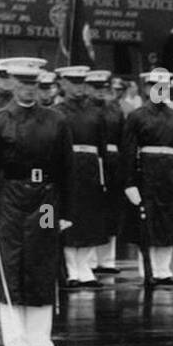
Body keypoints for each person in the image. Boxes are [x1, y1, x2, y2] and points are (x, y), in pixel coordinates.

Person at [0, 59, 74, 346]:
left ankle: (41, 341)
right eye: (22, 83)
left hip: (45, 200)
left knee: (42, 262)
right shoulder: (1, 120)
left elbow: (67, 169)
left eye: (33, 84)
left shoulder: (56, 121)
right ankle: (15, 341)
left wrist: (66, 211)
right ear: (12, 84)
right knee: (12, 264)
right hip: (10, 198)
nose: (28, 90)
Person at [121, 69, 173, 287]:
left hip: (169, 175)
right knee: (148, 225)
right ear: (147, 88)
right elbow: (128, 151)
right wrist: (129, 182)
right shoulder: (137, 116)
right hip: (147, 175)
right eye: (155, 87)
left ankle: (164, 269)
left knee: (169, 223)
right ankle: (148, 270)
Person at [52, 66, 109, 287]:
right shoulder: (56, 112)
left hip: (91, 170)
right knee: (68, 218)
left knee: (89, 219)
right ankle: (70, 268)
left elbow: (102, 149)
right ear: (63, 84)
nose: (78, 87)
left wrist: (103, 177)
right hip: (67, 168)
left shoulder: (95, 113)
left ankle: (84, 266)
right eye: (73, 82)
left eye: (81, 82)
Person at [85, 68, 124, 274]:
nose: (100, 91)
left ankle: (107, 259)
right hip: (91, 161)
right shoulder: (85, 110)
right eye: (95, 87)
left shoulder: (115, 110)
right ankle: (90, 260)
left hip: (113, 162)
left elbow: (123, 137)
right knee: (92, 211)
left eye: (103, 88)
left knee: (111, 212)